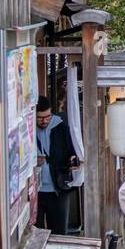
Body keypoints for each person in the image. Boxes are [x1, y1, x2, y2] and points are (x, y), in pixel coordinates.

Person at [34, 96, 81, 235]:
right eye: (40, 118)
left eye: (47, 116)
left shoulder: (61, 126)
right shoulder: (27, 127)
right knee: (35, 233)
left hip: (58, 187)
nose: (44, 121)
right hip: (35, 190)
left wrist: (72, 159)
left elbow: (72, 150)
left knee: (59, 232)